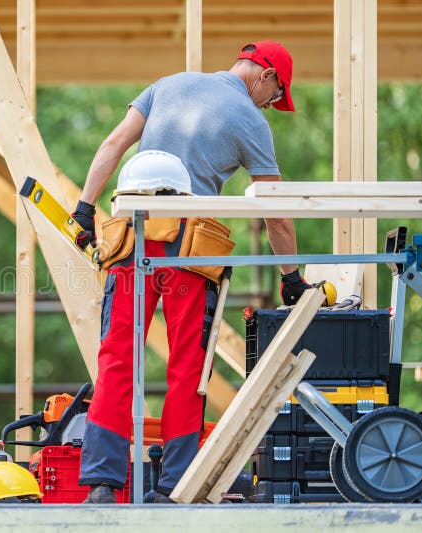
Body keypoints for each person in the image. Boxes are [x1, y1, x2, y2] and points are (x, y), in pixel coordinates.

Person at [70, 41, 314, 504]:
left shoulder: (168, 85)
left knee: (118, 359)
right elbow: (277, 214)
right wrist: (291, 277)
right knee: (186, 368)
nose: (273, 105)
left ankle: (102, 485)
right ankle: (175, 487)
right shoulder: (251, 121)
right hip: (190, 247)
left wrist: (84, 207)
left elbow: (114, 142)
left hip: (132, 238)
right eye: (276, 94)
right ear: (263, 75)